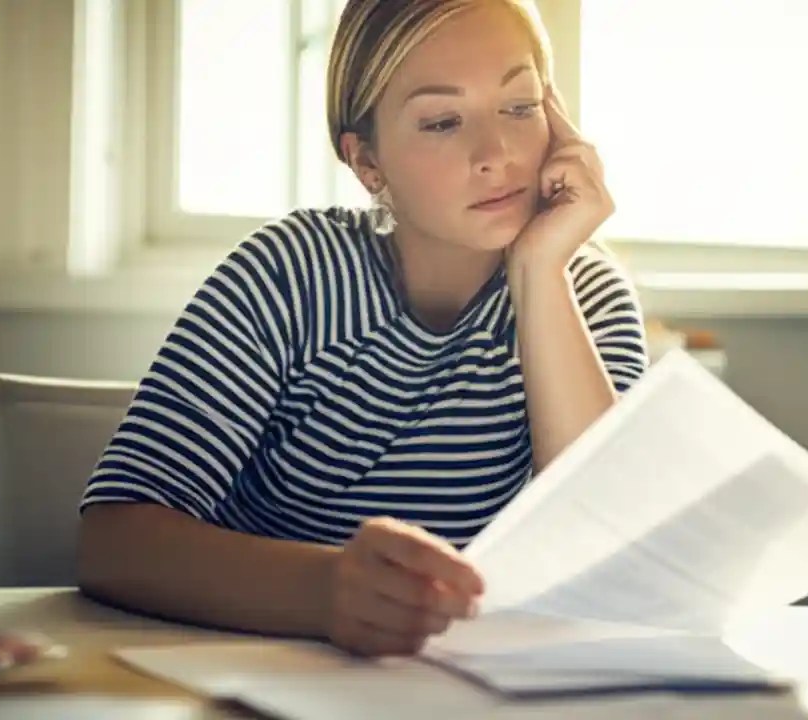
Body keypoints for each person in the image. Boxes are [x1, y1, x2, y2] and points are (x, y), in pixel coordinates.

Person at [77, 0, 648, 658]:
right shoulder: (289, 274)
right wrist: (325, 592)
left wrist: (541, 274)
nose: (498, 153)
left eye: (519, 106)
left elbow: (615, 553)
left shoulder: (586, 291)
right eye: (441, 121)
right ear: (368, 163)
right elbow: (113, 540)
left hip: (462, 689)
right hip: (261, 668)